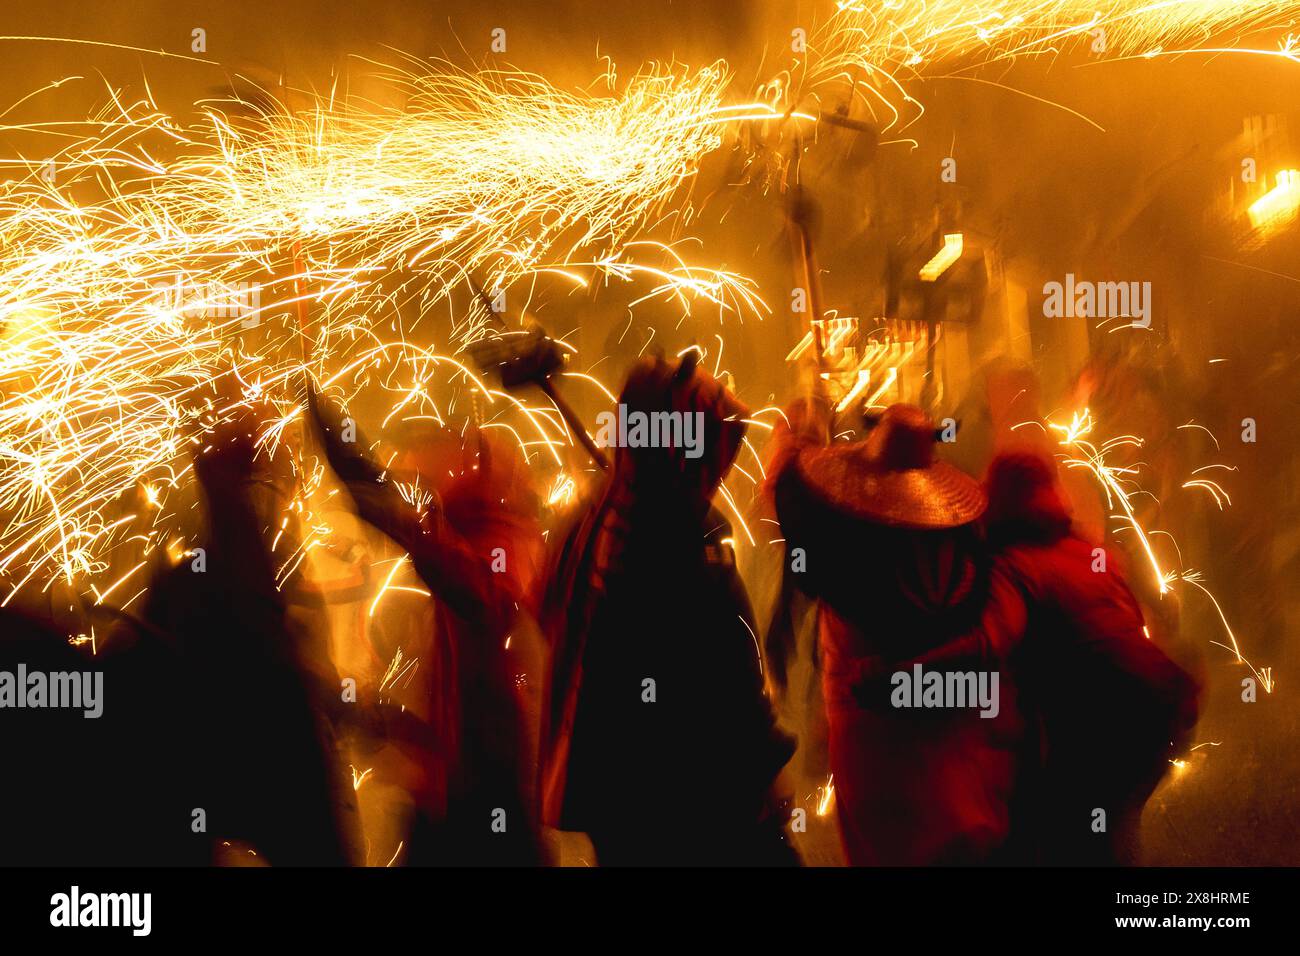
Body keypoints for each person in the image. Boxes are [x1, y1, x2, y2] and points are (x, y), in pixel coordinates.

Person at [540, 354, 798, 865]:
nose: (724, 467)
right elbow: (726, 679)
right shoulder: (679, 544)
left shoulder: (601, 516)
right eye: (718, 448)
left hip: (620, 806)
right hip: (697, 810)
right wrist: (768, 770)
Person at [774, 401, 1031, 865]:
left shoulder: (851, 567)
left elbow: (798, 516)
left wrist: (802, 447)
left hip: (880, 764)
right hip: (958, 769)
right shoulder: (970, 559)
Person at [983, 451, 1200, 864]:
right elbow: (1132, 622)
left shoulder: (1013, 566)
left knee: (1077, 832)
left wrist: (903, 677)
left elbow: (990, 643)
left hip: (1113, 718)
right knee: (1112, 824)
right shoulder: (1086, 550)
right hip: (1166, 701)